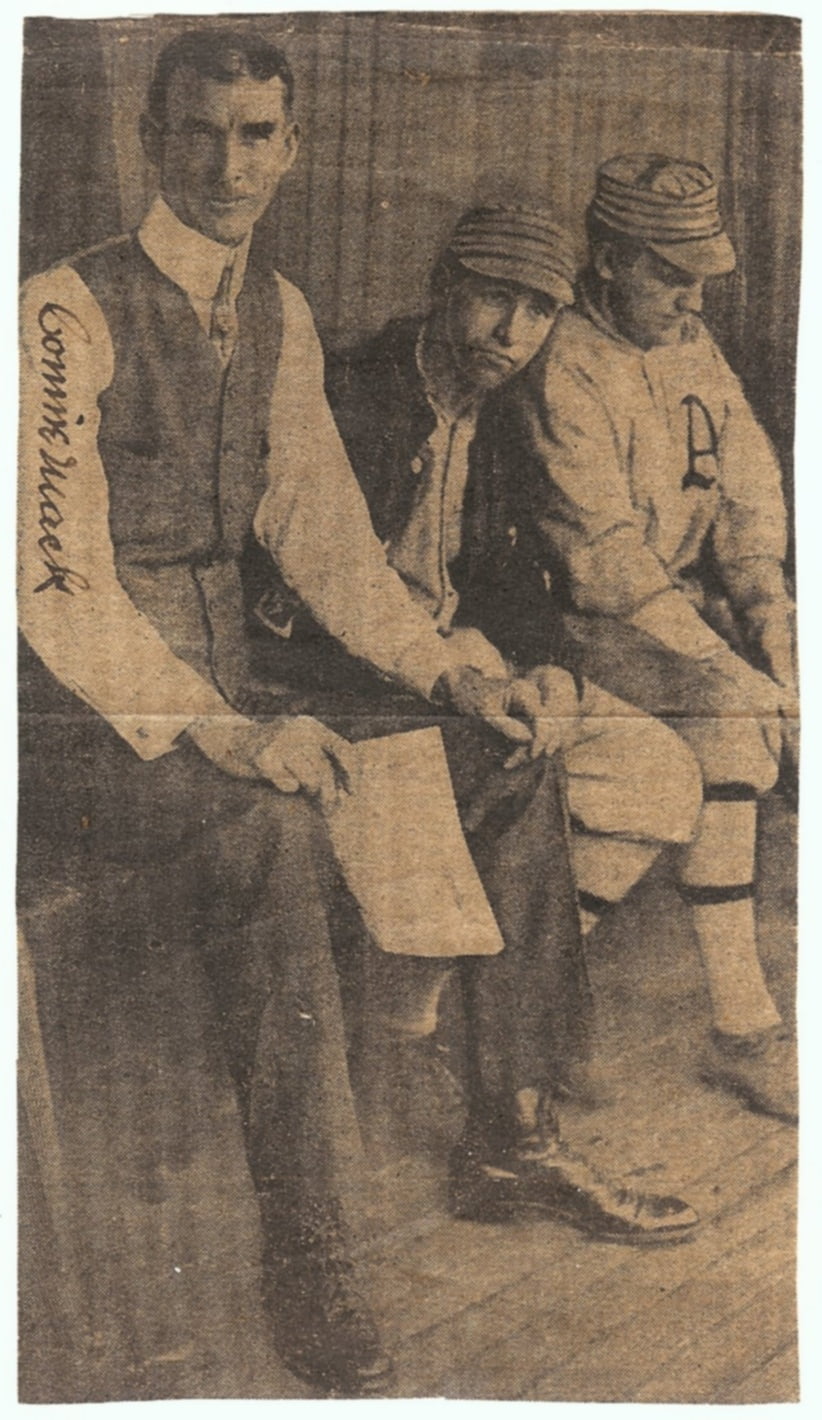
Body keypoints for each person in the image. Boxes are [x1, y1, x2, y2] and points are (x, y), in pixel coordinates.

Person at [17, 31, 697, 1392]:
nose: (230, 164)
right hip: (83, 727)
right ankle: (313, 1267)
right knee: (273, 831)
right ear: (155, 138)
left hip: (240, 698)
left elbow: (326, 542)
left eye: (259, 134)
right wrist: (226, 731)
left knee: (500, 759)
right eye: (203, 132)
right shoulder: (56, 313)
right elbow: (54, 585)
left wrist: (461, 676)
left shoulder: (276, 310)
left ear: (292, 145)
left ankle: (513, 1127)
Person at [324, 203, 713, 1093]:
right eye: (493, 299)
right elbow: (311, 596)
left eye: (538, 312)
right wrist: (454, 674)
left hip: (458, 658)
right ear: (442, 291)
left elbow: (509, 574)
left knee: (658, 773)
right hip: (351, 674)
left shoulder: (499, 408)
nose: (512, 331)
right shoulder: (354, 393)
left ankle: (495, 996)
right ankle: (409, 1027)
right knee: (496, 760)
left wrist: (546, 670)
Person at [504, 154, 798, 1124]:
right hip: (563, 621)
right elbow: (603, 565)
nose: (691, 295)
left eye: (700, 274)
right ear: (608, 262)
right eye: (670, 273)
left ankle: (561, 1007)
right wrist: (730, 671)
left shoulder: (688, 341)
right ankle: (735, 1029)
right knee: (727, 727)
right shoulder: (563, 359)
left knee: (740, 722)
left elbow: (746, 493)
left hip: (667, 617)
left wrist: (769, 620)